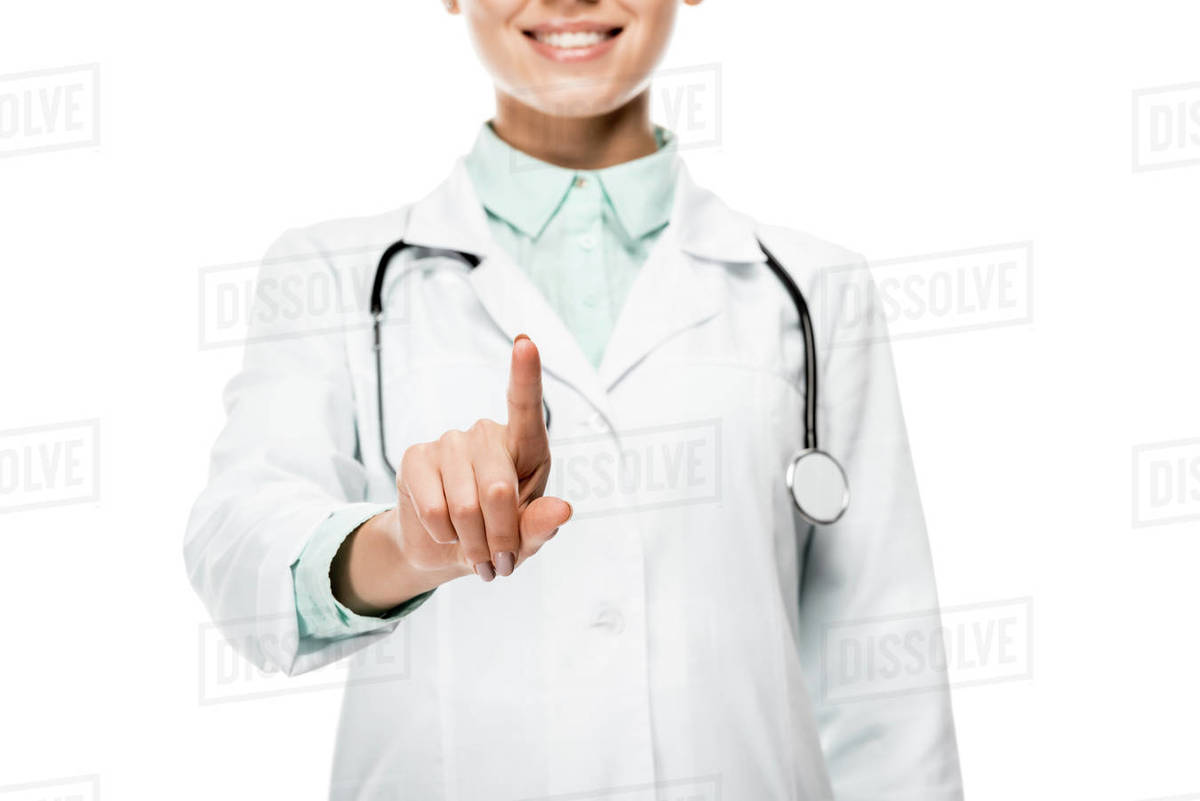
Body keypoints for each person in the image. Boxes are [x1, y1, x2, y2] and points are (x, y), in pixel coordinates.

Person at [185, 1, 964, 798]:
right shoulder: (331, 274)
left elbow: (886, 686)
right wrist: (400, 548)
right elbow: (240, 550)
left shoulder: (814, 292)